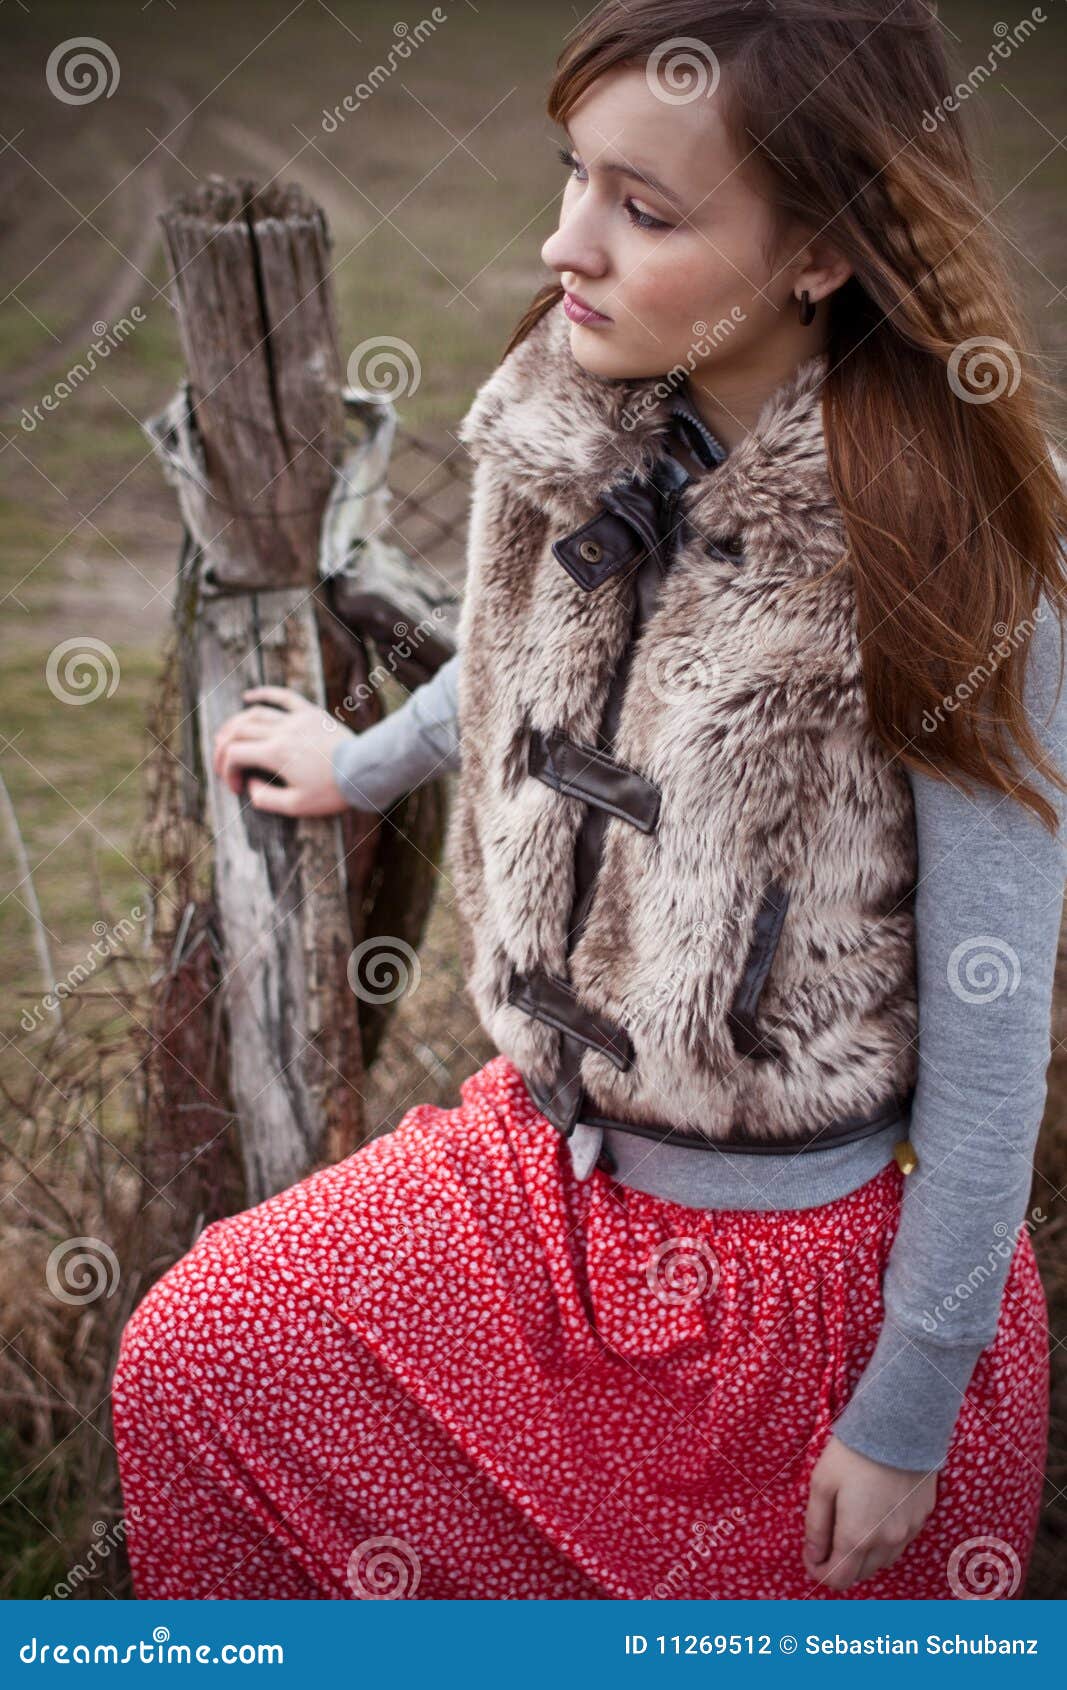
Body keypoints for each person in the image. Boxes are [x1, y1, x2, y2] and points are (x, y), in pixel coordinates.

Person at [112, 0, 1067, 1600]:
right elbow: (506, 654)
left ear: (823, 251)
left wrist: (912, 1401)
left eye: (646, 208)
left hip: (802, 1289)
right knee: (202, 1352)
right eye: (574, 179)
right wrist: (357, 767)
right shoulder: (575, 433)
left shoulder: (947, 572)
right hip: (534, 1179)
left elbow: (995, 1036)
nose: (567, 246)